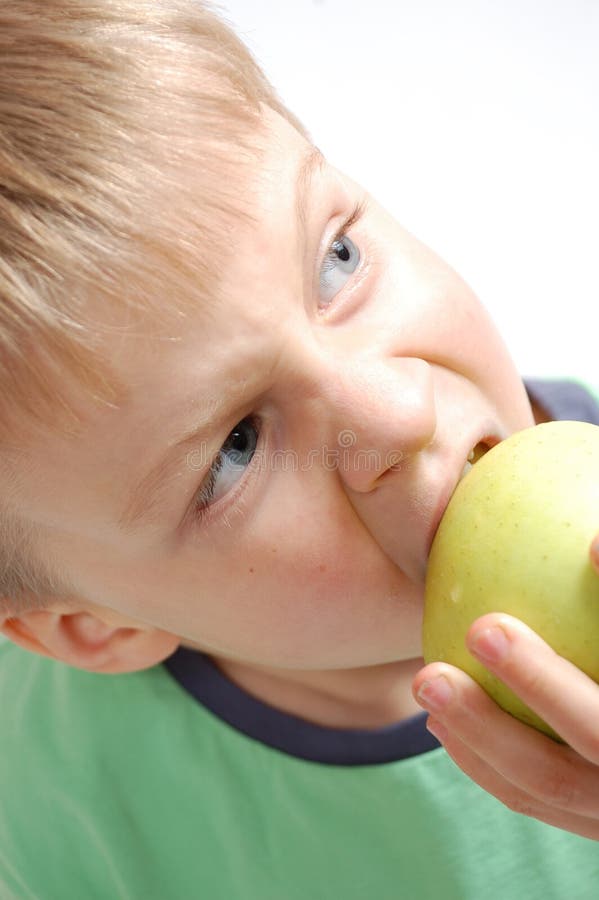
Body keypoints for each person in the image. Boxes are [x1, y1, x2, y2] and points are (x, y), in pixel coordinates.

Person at [0, 2, 598, 897]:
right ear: (98, 627)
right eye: (234, 450)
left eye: (336, 260)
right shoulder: (55, 809)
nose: (397, 412)